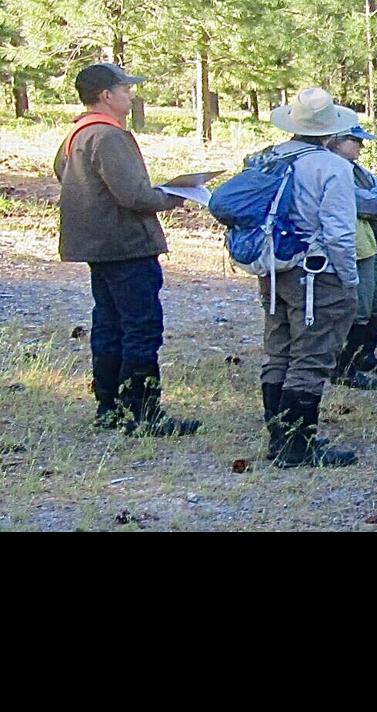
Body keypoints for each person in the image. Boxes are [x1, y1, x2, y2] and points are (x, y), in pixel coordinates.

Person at [53, 62, 198, 436]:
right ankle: (142, 413)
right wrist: (176, 195)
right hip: (126, 246)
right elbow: (134, 195)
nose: (130, 96)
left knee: (109, 325)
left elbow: (61, 171)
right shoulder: (109, 135)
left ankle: (110, 408)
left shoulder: (77, 132)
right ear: (106, 95)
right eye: (125, 90)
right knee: (141, 328)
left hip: (99, 247)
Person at [256, 87, 361, 467]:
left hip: (275, 267)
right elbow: (339, 233)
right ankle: (296, 448)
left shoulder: (269, 158)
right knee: (311, 358)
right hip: (318, 273)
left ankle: (279, 440)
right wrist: (349, 280)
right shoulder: (333, 167)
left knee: (279, 352)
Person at [326, 125, 377, 391]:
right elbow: (372, 203)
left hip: (369, 243)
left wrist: (375, 201)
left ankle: (365, 356)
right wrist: (374, 201)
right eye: (355, 140)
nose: (361, 146)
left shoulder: (357, 170)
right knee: (358, 308)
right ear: (336, 141)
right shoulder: (332, 168)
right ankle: (345, 368)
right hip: (352, 246)